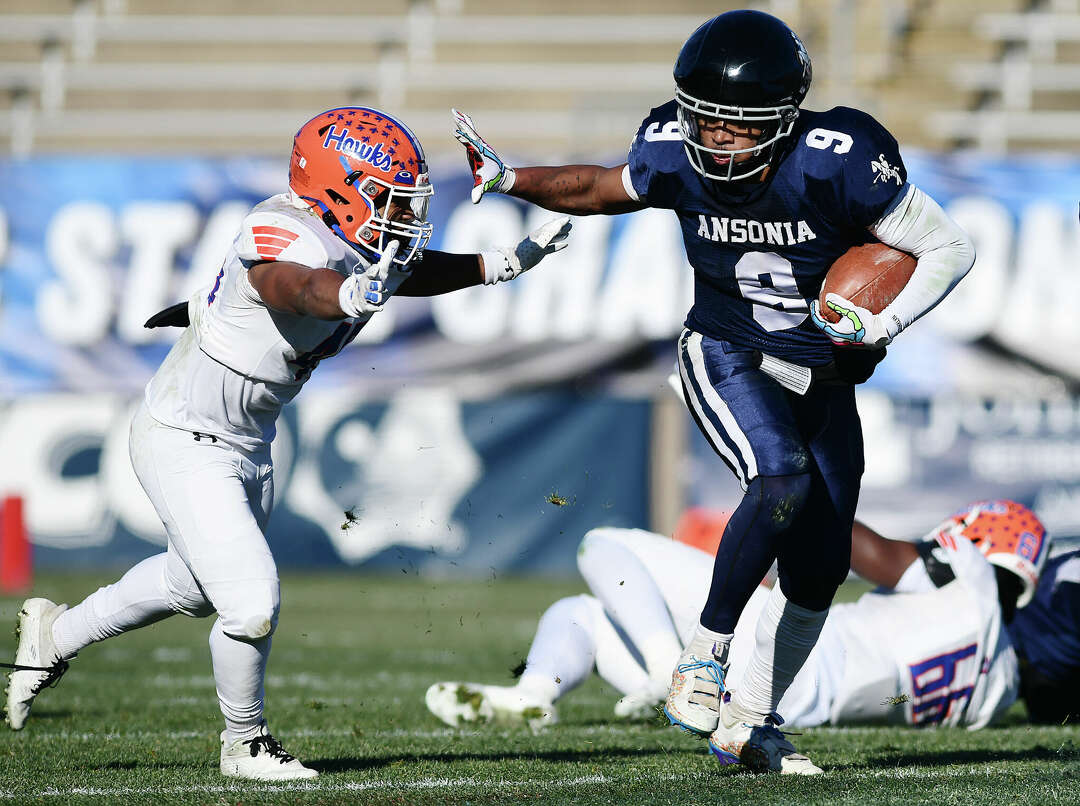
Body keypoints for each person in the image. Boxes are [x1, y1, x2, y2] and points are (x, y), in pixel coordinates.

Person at [451, 9, 975, 774]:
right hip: (728, 352)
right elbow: (598, 188)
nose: (714, 138)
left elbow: (949, 247)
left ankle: (749, 726)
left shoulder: (839, 159)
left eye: (736, 126)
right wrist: (510, 179)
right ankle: (704, 658)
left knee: (821, 569)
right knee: (780, 476)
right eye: (705, 120)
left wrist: (881, 325)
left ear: (783, 120)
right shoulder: (673, 148)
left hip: (822, 375)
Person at [3, 106, 571, 781]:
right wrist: (347, 294)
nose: (403, 213)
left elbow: (405, 272)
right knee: (249, 602)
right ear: (338, 187)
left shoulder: (355, 241)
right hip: (184, 436)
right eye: (388, 196)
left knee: (190, 588)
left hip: (250, 442)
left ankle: (53, 634)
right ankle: (245, 745)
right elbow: (292, 283)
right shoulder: (283, 228)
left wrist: (503, 263)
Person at [425, 499, 1047, 737]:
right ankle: (534, 693)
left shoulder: (963, 578)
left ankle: (678, 672)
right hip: (795, 705)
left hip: (791, 654)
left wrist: (796, 493)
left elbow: (851, 542)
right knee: (584, 613)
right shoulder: (1000, 687)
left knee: (603, 545)